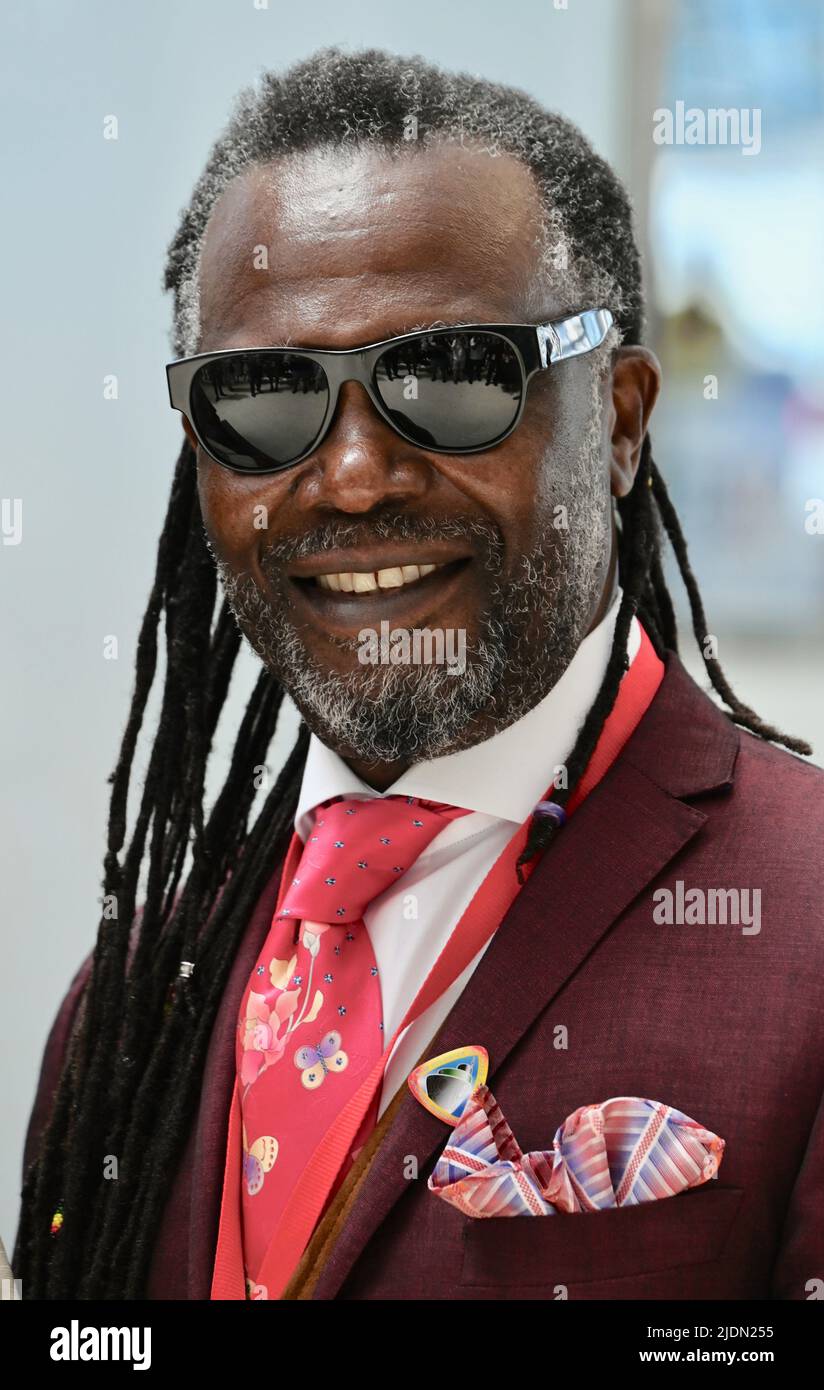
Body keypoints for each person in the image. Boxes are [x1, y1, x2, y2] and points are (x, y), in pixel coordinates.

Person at [14, 46, 824, 1301]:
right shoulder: (131, 1006)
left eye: (450, 380)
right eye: (267, 399)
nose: (349, 477)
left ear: (615, 419)